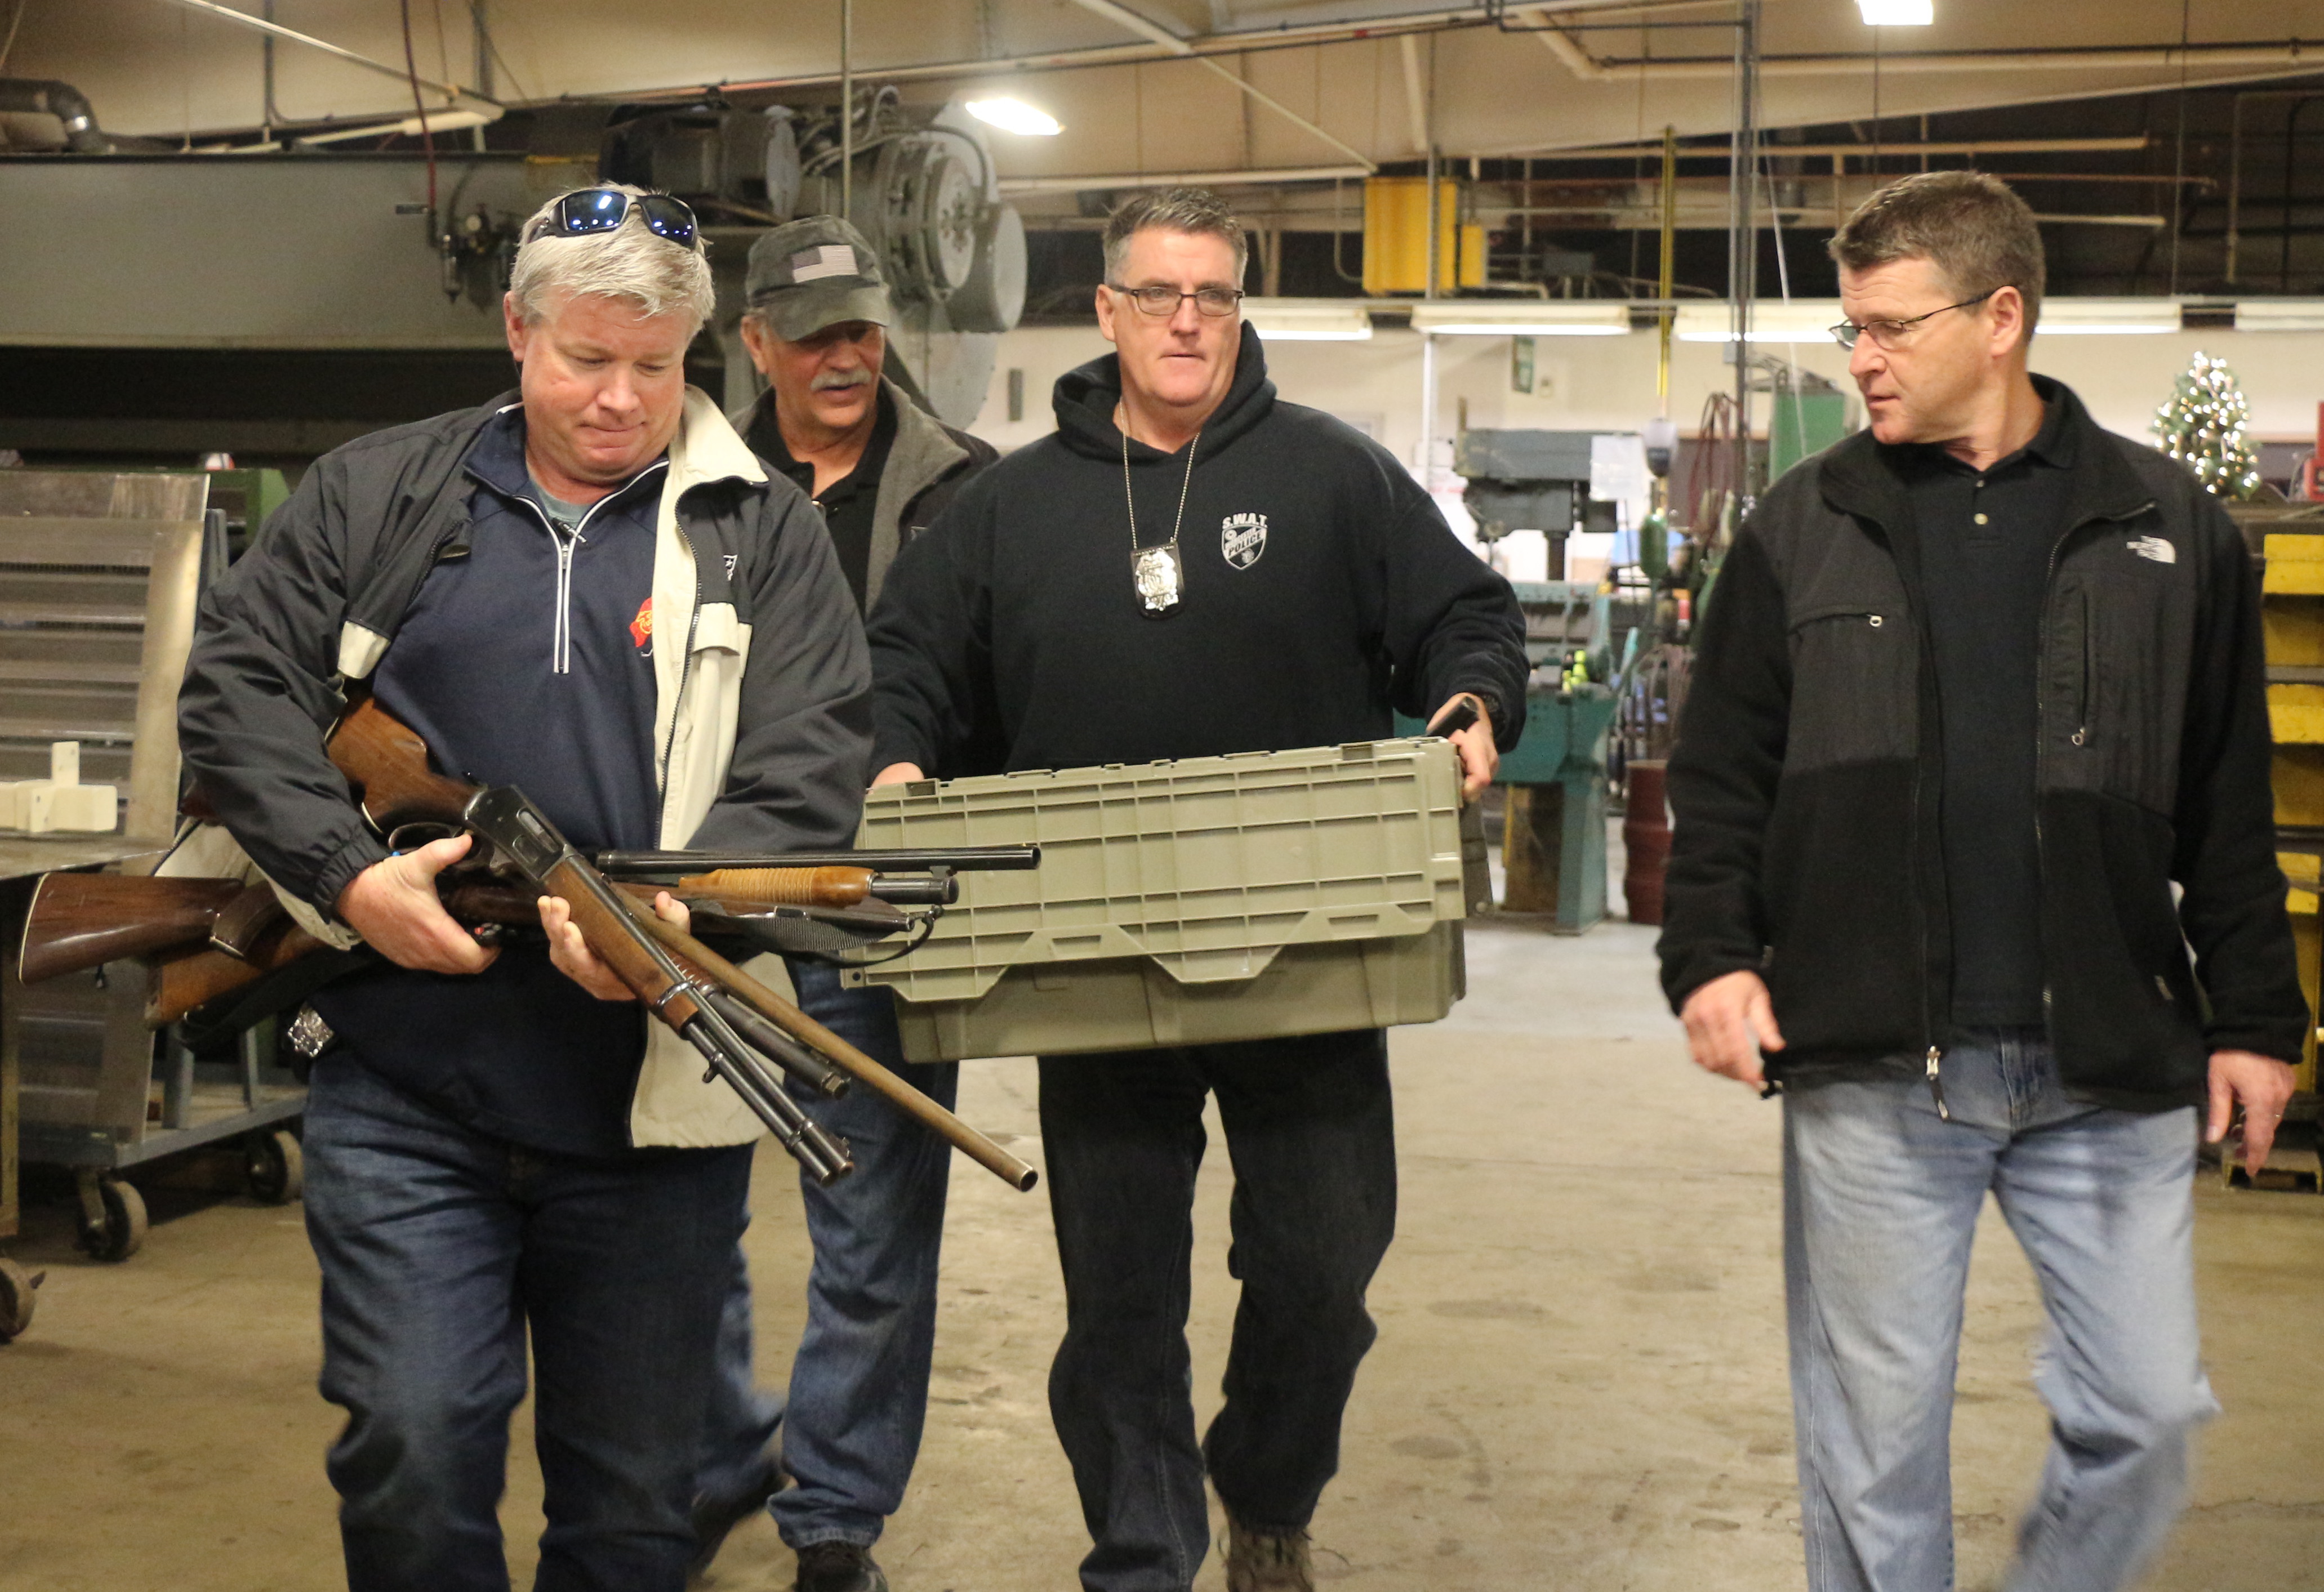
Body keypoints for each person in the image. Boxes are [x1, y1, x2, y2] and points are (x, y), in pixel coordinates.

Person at [175, 183, 872, 1592]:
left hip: (652, 1107)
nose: (619, 400)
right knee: (414, 1446)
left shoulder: (765, 533)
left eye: (655, 368)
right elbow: (238, 690)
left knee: (635, 1504)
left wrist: (671, 920)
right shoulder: (382, 493)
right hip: (402, 1082)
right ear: (515, 330)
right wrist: (347, 878)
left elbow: (802, 769)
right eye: (583, 360)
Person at [866, 188, 1529, 1592]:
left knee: (1321, 1271)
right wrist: (896, 758)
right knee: (1119, 1303)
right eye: (1158, 294)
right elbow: (907, 656)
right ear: (1104, 312)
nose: (1186, 320)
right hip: (1088, 954)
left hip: (1309, 945)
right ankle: (1142, 1554)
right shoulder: (1008, 507)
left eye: (1213, 296)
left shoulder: (1331, 477)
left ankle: (1267, 1485)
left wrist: (1471, 705)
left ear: (1237, 313)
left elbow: (1463, 614)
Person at [1658, 170, 2304, 1592]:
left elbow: (2225, 796)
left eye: (1889, 328)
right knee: (1869, 1448)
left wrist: (2257, 1017)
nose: (1860, 360)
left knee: (2141, 1415)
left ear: (1999, 315)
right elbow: (1718, 780)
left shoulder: (2166, 523)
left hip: (2108, 1062)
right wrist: (1710, 955)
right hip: (1875, 1062)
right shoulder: (1798, 524)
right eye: (1850, 329)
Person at [687, 215, 998, 1592]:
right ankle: (708, 1456)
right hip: (693, 900)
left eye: (861, 328)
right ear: (754, 342)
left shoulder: (961, 490)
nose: (843, 355)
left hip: (873, 908)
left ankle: (834, 1518)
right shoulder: (686, 482)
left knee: (871, 1229)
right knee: (675, 1204)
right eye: (812, 333)